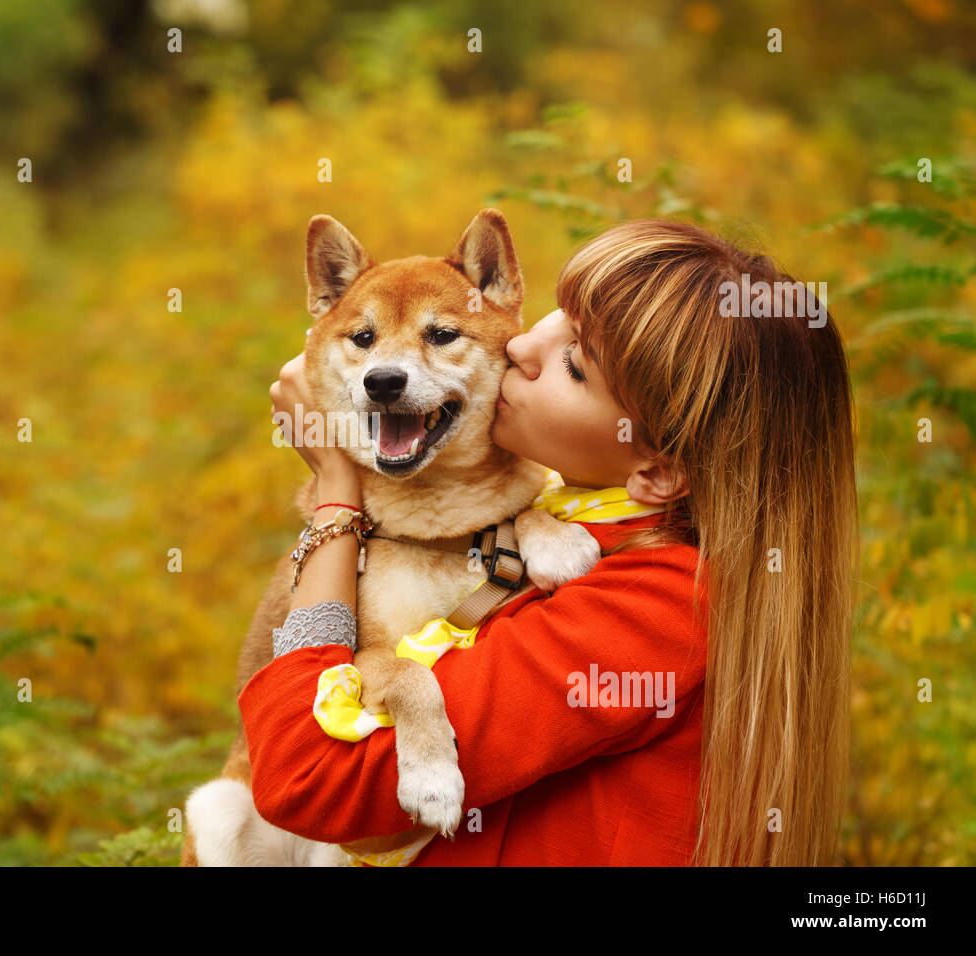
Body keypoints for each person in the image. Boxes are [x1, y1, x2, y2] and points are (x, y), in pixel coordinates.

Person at [243, 219, 857, 866]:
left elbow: (308, 780)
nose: (520, 345)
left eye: (574, 364)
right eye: (557, 319)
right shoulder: (558, 522)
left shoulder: (657, 607)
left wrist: (336, 494)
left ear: (657, 471)